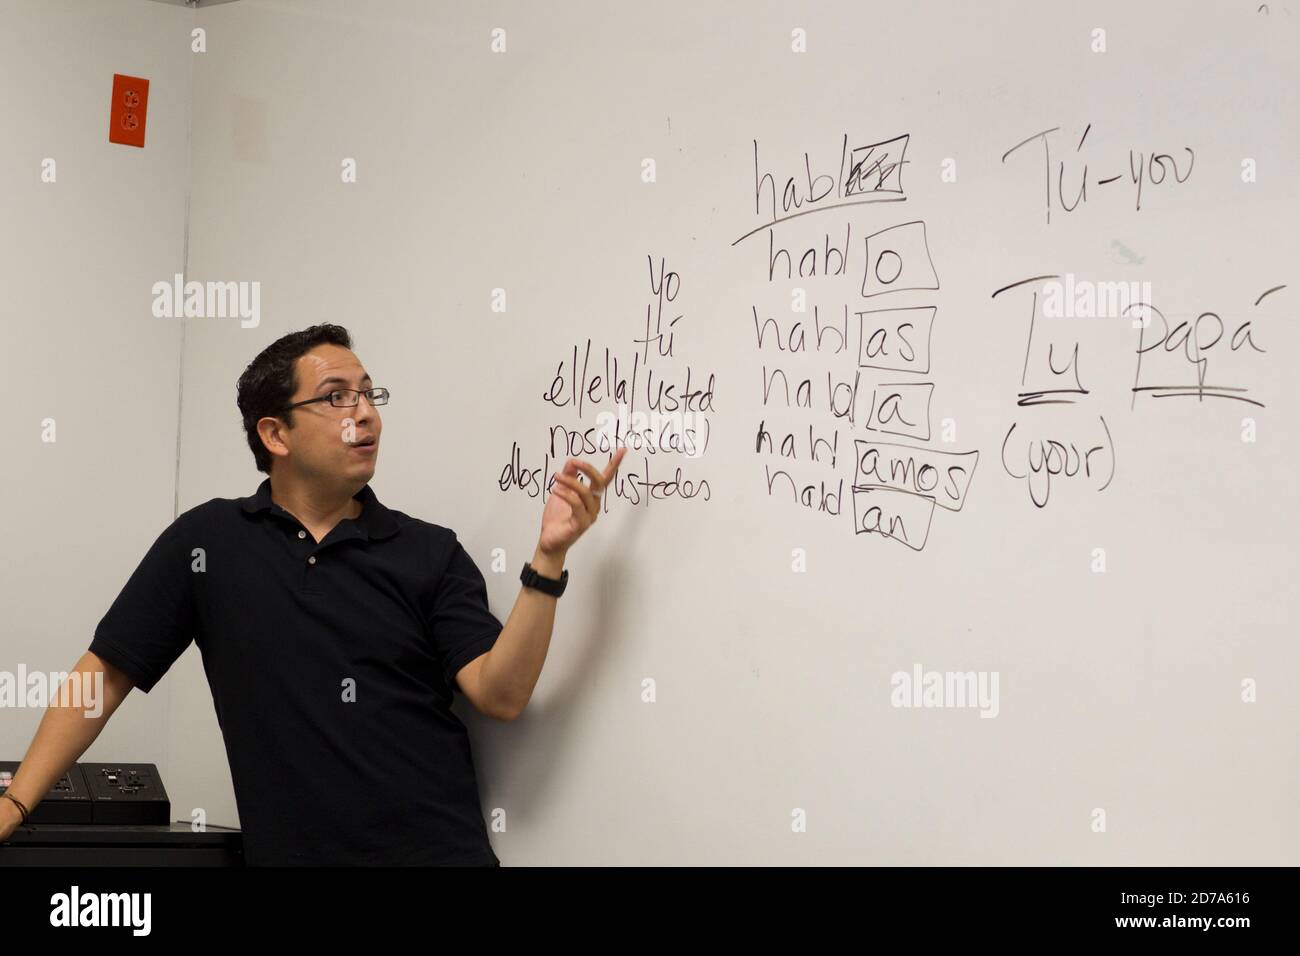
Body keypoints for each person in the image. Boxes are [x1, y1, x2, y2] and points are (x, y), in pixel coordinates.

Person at [0, 324, 625, 864]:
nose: (366, 414)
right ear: (276, 434)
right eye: (336, 398)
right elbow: (102, 678)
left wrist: (549, 557)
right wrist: (17, 802)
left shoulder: (429, 551)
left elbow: (502, 693)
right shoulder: (208, 542)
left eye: (368, 395)